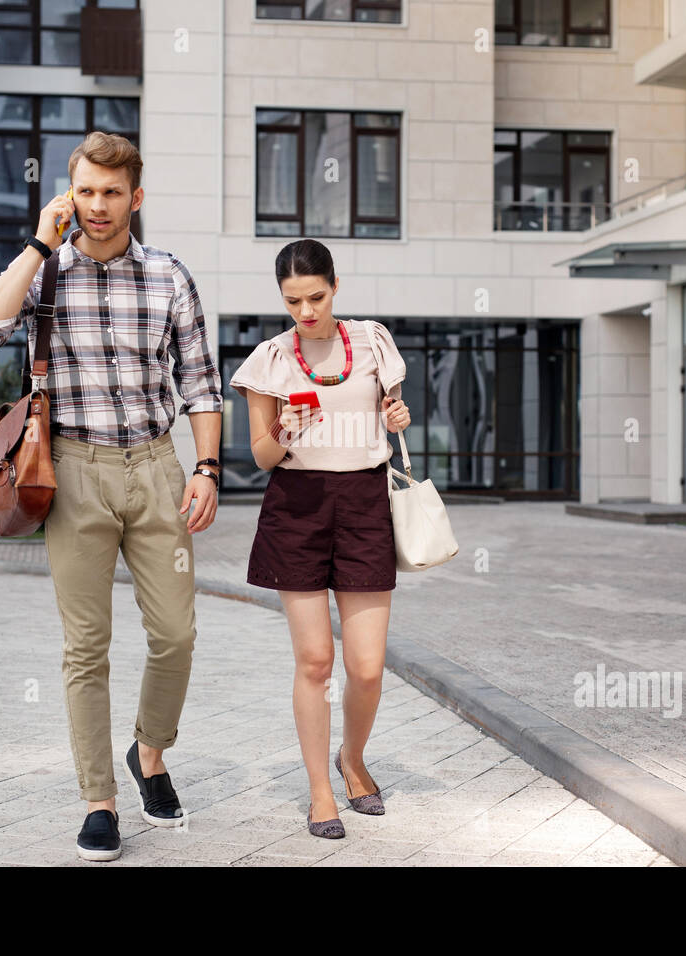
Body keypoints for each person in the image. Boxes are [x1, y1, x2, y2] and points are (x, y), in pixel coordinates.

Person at [0, 132, 224, 862]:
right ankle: (100, 799)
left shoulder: (170, 276)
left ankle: (150, 749)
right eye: (86, 191)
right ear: (67, 195)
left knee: (175, 634)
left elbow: (202, 383)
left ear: (135, 198)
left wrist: (206, 468)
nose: (99, 206)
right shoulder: (44, 273)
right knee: (86, 645)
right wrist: (39, 249)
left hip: (154, 467)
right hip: (70, 473)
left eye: (113, 193)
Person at [228, 238, 411, 839]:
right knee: (315, 660)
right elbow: (259, 455)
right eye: (292, 301)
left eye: (315, 297)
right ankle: (320, 790)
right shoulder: (270, 360)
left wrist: (395, 417)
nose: (305, 312)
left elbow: (390, 408)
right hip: (297, 506)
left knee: (366, 666)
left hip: (363, 502)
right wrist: (284, 429)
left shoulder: (373, 341)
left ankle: (352, 757)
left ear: (336, 287)